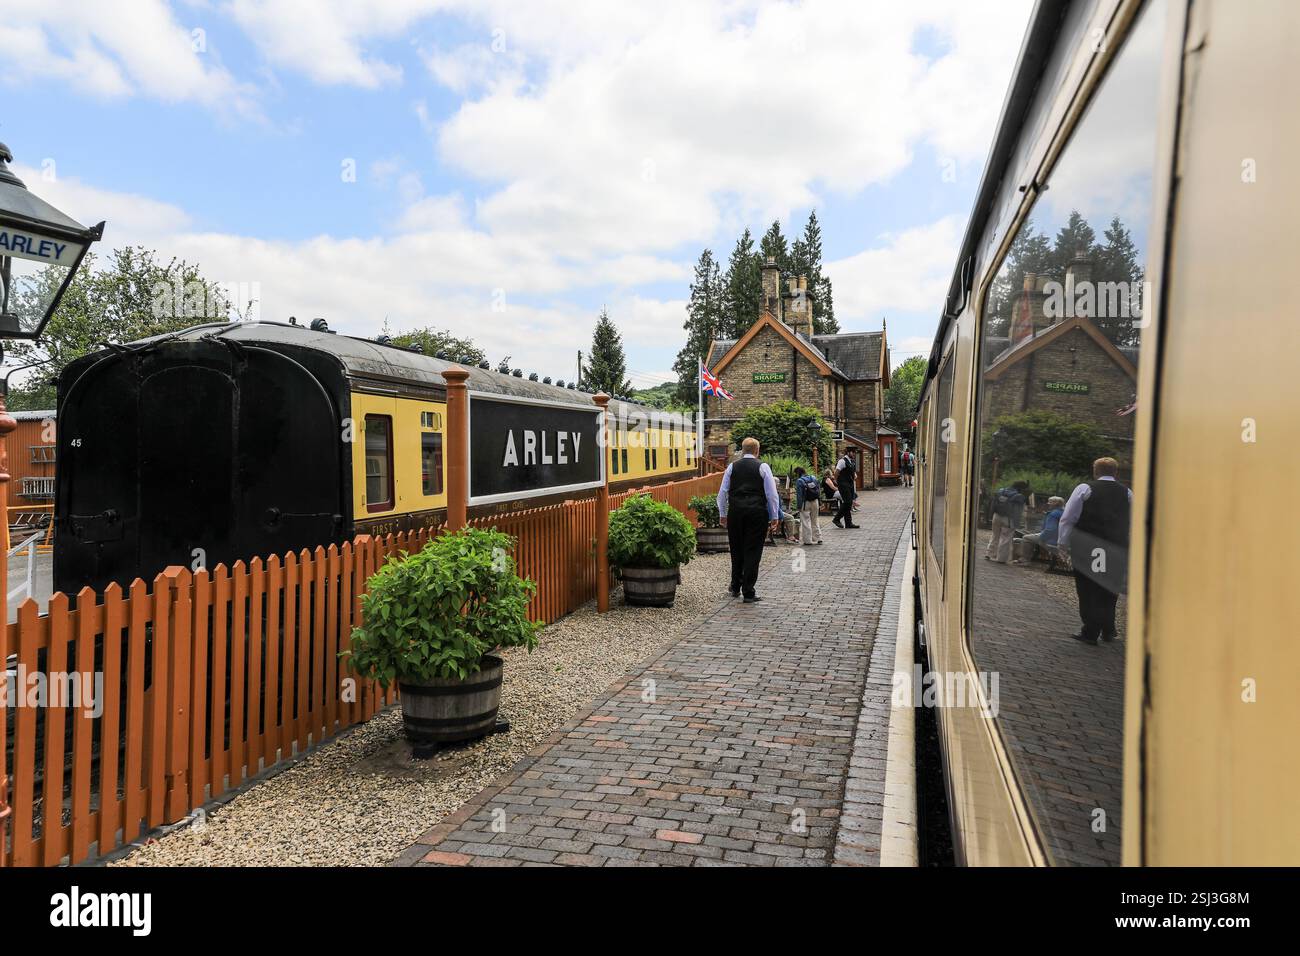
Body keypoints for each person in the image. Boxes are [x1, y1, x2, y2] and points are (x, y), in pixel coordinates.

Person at [1059, 457, 1132, 646]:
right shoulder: (1128, 493)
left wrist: (1062, 543)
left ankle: (1090, 631)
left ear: (1095, 471)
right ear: (1115, 472)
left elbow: (1068, 518)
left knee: (1089, 587)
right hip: (1116, 546)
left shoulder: (1084, 489)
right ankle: (1108, 629)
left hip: (1089, 545)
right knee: (1109, 588)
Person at [717, 437, 781, 603]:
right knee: (753, 550)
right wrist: (775, 516)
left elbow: (722, 492)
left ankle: (735, 585)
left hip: (736, 512)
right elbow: (771, 494)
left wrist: (723, 514)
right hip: (756, 513)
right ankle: (748, 591)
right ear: (757, 451)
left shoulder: (732, 467)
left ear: (743, 450)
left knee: (736, 549)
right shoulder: (763, 467)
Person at [985, 479, 1028, 563]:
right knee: (1006, 538)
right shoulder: (1019, 496)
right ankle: (1001, 559)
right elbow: (1023, 506)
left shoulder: (1001, 490)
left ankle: (989, 553)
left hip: (996, 515)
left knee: (995, 535)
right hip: (1008, 518)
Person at [1012, 496, 1065, 564]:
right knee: (1030, 536)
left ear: (1056, 504)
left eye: (1050, 502)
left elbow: (1050, 530)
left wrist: (1042, 538)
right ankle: (1027, 557)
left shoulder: (1053, 514)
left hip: (1051, 540)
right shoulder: (1062, 512)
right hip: (1059, 538)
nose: (1048, 503)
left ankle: (1024, 560)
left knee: (1026, 538)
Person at [792, 466, 823, 546]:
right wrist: (819, 502)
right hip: (815, 501)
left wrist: (799, 506)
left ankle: (808, 540)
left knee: (806, 521)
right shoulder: (813, 477)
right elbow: (818, 490)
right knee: (815, 520)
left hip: (805, 503)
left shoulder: (799, 481)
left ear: (798, 473)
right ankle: (818, 538)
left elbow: (799, 495)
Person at [833, 451, 860, 528]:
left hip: (850, 484)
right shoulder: (842, 461)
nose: (854, 454)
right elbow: (836, 472)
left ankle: (848, 523)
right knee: (847, 503)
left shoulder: (851, 462)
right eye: (853, 452)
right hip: (843, 484)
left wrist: (854, 475)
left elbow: (853, 473)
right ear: (848, 452)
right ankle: (836, 519)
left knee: (849, 503)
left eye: (855, 452)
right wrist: (836, 481)